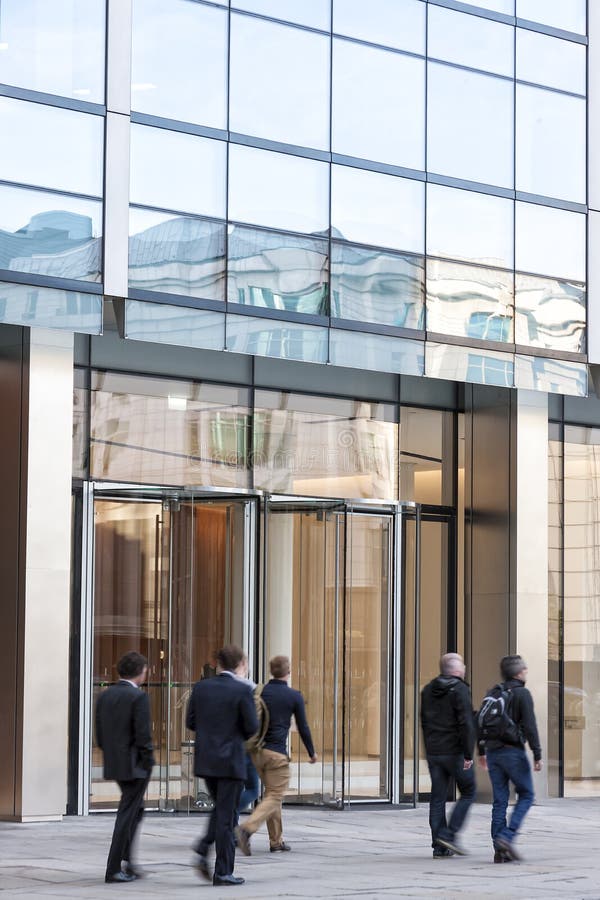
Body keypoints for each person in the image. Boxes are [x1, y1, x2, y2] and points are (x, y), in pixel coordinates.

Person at [186, 644, 257, 887]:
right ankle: (223, 871)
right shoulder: (241, 690)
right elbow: (251, 727)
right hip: (230, 761)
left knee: (221, 810)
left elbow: (191, 720)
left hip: (207, 759)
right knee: (227, 818)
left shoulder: (202, 687)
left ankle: (203, 845)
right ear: (240, 665)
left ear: (219, 664)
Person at [235, 655, 317, 856]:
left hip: (257, 753)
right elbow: (303, 727)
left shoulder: (259, 691)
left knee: (272, 793)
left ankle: (276, 841)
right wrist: (311, 752)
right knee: (275, 794)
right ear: (288, 672)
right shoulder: (293, 696)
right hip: (276, 754)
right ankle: (246, 829)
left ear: (271, 671)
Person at [95, 651, 155, 884]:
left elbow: (100, 734)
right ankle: (114, 867)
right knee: (127, 814)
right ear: (140, 672)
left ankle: (128, 861)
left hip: (116, 762)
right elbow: (143, 735)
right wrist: (148, 760)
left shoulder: (106, 695)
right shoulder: (138, 697)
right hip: (135, 765)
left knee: (135, 810)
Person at [478, 655, 543, 862]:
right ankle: (506, 837)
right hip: (513, 752)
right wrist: (537, 754)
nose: (526, 671)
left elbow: (480, 721)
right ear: (518, 672)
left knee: (500, 801)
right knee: (526, 794)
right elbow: (530, 726)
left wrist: (481, 751)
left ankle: (499, 850)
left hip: (493, 752)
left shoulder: (494, 692)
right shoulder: (522, 693)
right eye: (524, 668)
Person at [420, 652, 476, 858]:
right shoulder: (460, 689)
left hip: (434, 752)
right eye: (462, 663)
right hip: (454, 752)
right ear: (455, 669)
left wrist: (429, 749)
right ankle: (449, 834)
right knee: (469, 791)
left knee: (438, 798)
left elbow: (424, 722)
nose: (465, 667)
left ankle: (439, 846)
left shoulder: (427, 690)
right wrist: (469, 753)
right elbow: (466, 723)